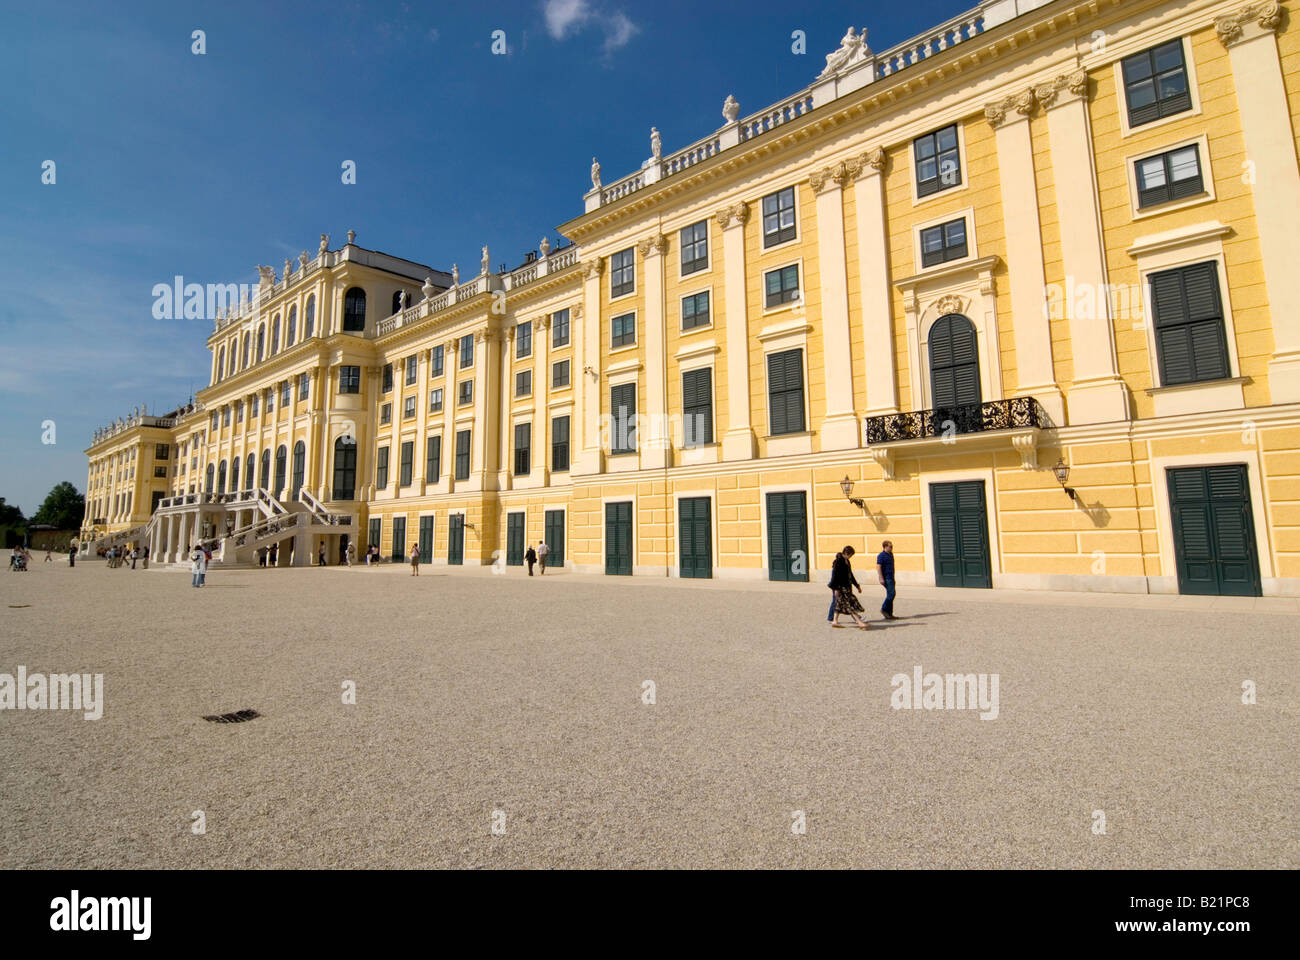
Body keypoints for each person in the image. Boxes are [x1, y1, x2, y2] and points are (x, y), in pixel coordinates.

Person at [828, 545, 869, 630]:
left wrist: (857, 585)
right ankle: (859, 622)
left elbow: (851, 575)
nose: (851, 557)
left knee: (839, 604)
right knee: (849, 603)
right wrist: (836, 588)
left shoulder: (847, 561)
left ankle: (835, 621)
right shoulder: (838, 561)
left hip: (847, 586)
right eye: (850, 555)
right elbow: (835, 576)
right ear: (846, 553)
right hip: (841, 587)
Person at [877, 540, 897, 620]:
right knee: (891, 594)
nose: (892, 548)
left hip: (891, 577)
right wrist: (881, 577)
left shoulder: (891, 554)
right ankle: (884, 609)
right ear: (885, 547)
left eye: (892, 546)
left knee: (891, 594)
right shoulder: (881, 555)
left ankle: (889, 613)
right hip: (886, 578)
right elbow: (878, 567)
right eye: (890, 546)